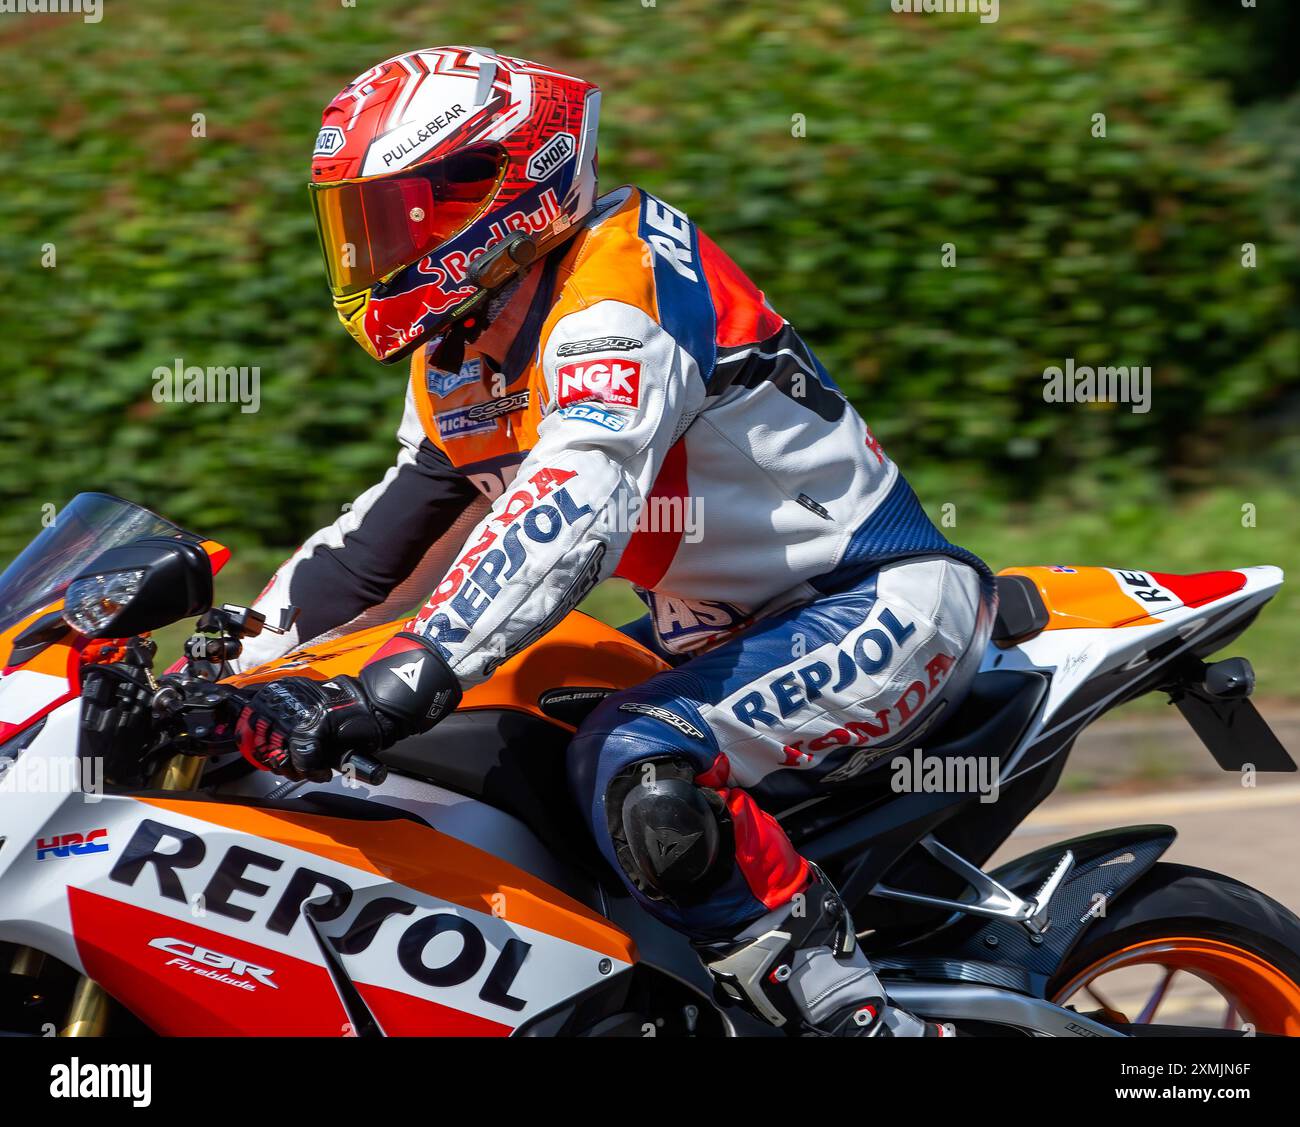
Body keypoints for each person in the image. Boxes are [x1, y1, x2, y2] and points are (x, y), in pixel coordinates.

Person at [234, 46, 995, 1037]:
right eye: (358, 223)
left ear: (504, 183)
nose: (374, 247)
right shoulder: (466, 344)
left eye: (396, 214)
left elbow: (575, 501)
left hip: (873, 603)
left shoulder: (618, 281)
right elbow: (372, 548)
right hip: (712, 638)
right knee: (500, 753)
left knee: (636, 760)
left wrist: (404, 672)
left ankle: (852, 1017)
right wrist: (229, 674)